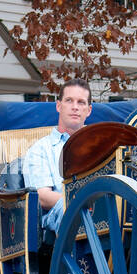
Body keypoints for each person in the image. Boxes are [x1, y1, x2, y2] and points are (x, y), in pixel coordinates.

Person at [19, 79, 93, 235]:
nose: (75, 107)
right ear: (59, 106)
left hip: (100, 212)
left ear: (89, 110)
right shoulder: (40, 149)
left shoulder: (100, 146)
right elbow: (43, 197)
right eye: (69, 100)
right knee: (73, 210)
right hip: (59, 216)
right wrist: (82, 202)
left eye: (81, 102)